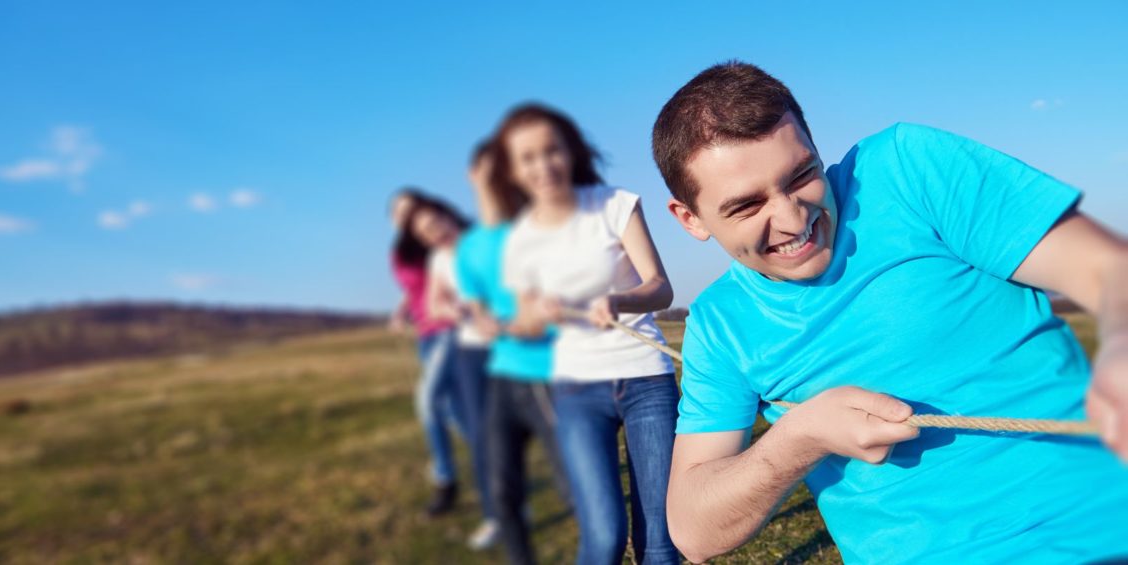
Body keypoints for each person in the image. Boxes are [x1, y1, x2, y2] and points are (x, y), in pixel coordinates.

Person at [650, 61, 1128, 563]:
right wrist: (800, 438)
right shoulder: (719, 325)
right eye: (747, 207)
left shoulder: (906, 169)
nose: (794, 219)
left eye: (803, 175)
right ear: (690, 219)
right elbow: (693, 531)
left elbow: (1108, 269)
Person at [495, 103, 681, 565]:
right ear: (513, 170)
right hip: (577, 389)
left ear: (570, 151)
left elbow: (661, 288)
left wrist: (620, 300)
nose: (543, 165)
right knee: (603, 538)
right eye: (528, 157)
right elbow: (524, 324)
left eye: (551, 150)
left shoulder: (615, 204)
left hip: (646, 380)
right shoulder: (519, 239)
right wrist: (536, 315)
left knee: (661, 543)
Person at [457, 140, 573, 564]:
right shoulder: (469, 246)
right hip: (501, 376)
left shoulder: (531, 231)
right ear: (473, 174)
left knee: (572, 486)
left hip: (546, 373)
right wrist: (484, 321)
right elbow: (475, 305)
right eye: (487, 169)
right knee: (502, 489)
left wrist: (529, 322)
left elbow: (557, 301)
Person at [408, 189, 500, 550]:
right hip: (471, 352)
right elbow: (434, 306)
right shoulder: (438, 260)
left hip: (513, 347)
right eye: (425, 234)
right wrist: (456, 310)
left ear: (448, 215)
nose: (434, 235)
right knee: (479, 435)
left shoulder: (484, 241)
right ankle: (496, 515)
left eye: (435, 224)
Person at [390, 190, 468, 517]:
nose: (406, 217)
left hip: (449, 330)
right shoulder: (401, 251)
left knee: (427, 401)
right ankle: (496, 464)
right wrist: (401, 312)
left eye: (411, 210)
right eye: (399, 213)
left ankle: (444, 479)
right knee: (454, 411)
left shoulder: (436, 242)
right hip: (424, 334)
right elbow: (414, 290)